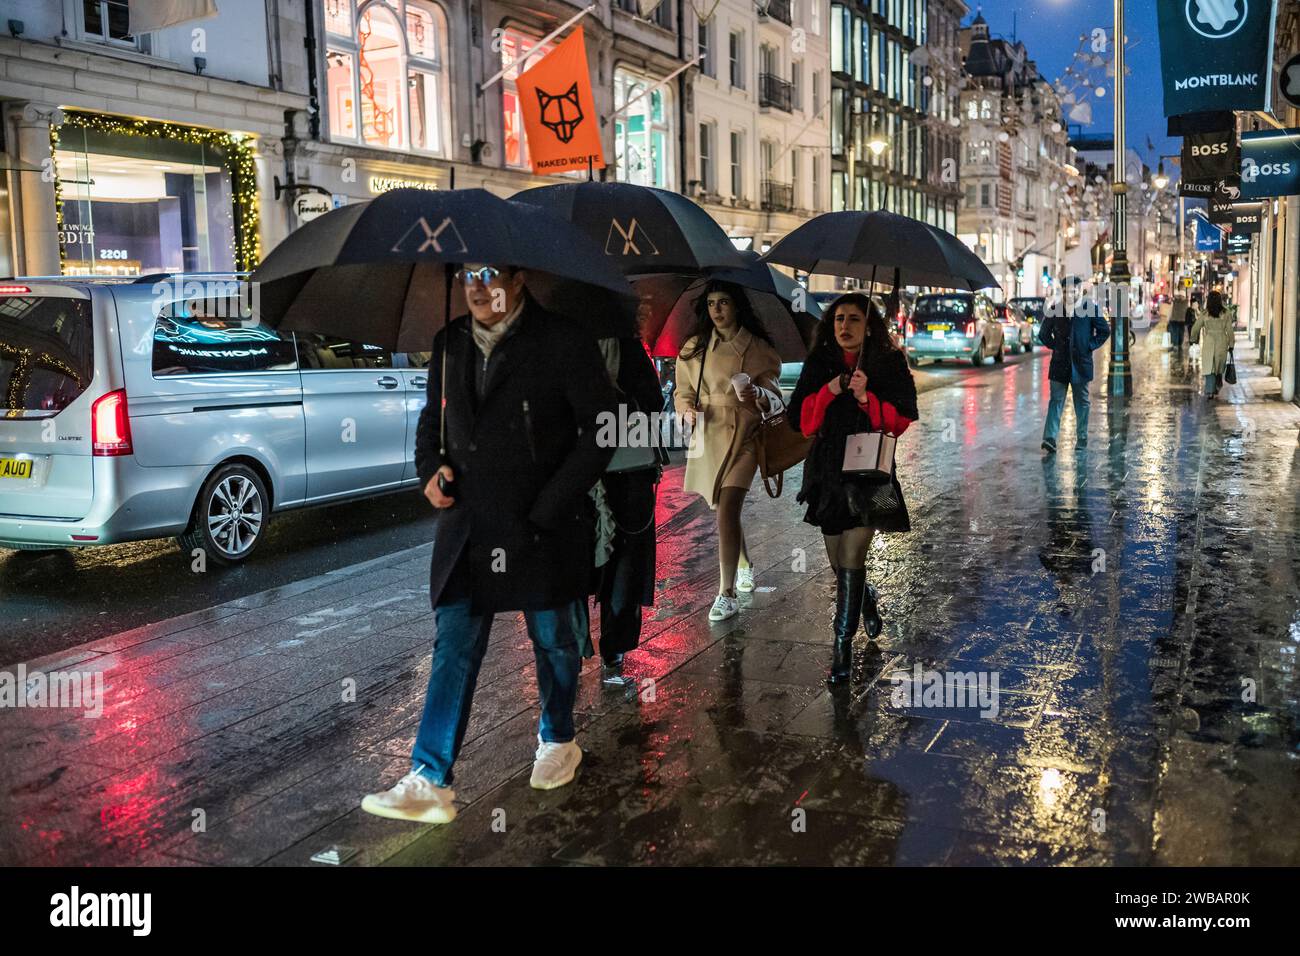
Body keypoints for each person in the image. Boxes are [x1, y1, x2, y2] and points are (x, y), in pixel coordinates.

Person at [361, 263, 616, 824]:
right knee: (453, 641)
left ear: (518, 277)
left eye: (489, 272)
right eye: (467, 273)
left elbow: (601, 429)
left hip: (540, 523)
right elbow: (434, 425)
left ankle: (558, 738)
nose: (476, 285)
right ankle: (430, 777)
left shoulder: (561, 340)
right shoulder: (449, 342)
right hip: (469, 525)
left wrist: (550, 507)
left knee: (552, 637)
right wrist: (431, 470)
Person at [788, 293, 918, 685]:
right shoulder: (819, 363)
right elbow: (801, 422)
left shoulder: (888, 362)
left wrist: (866, 397)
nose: (844, 326)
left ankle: (841, 646)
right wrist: (829, 390)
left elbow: (902, 419)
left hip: (870, 475)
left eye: (854, 319)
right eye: (839, 318)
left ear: (869, 325)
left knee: (852, 555)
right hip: (826, 474)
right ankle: (867, 599)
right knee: (839, 563)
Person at [673, 280, 783, 623]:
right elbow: (682, 390)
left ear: (737, 306)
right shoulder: (695, 347)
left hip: (745, 434)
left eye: (723, 302)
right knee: (722, 509)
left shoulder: (757, 347)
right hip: (709, 433)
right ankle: (745, 564)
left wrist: (759, 397)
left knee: (727, 507)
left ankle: (727, 592)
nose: (717, 310)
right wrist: (686, 410)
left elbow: (775, 396)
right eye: (711, 304)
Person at [594, 335, 662, 675]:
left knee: (624, 560)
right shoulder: (565, 344)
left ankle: (615, 643)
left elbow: (653, 401)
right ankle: (580, 638)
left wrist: (617, 394)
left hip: (628, 470)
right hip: (581, 473)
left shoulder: (629, 348)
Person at [1038, 281, 1110, 454]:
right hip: (1059, 365)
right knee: (1056, 401)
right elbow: (1043, 334)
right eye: (1065, 291)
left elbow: (1104, 330)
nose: (1069, 294)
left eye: (1073, 290)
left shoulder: (1089, 308)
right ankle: (1049, 438)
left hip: (1081, 364)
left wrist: (1089, 345)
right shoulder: (1056, 309)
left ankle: (1082, 439)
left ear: (1080, 290)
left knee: (1082, 403)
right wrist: (1056, 346)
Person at [1189, 289, 1235, 399]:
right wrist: (1231, 344)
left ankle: (1210, 390)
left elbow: (1196, 327)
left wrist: (1193, 339)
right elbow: (1230, 330)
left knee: (1209, 366)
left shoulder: (1205, 314)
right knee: (1219, 366)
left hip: (1209, 342)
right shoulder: (1226, 313)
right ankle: (1217, 385)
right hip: (1222, 342)